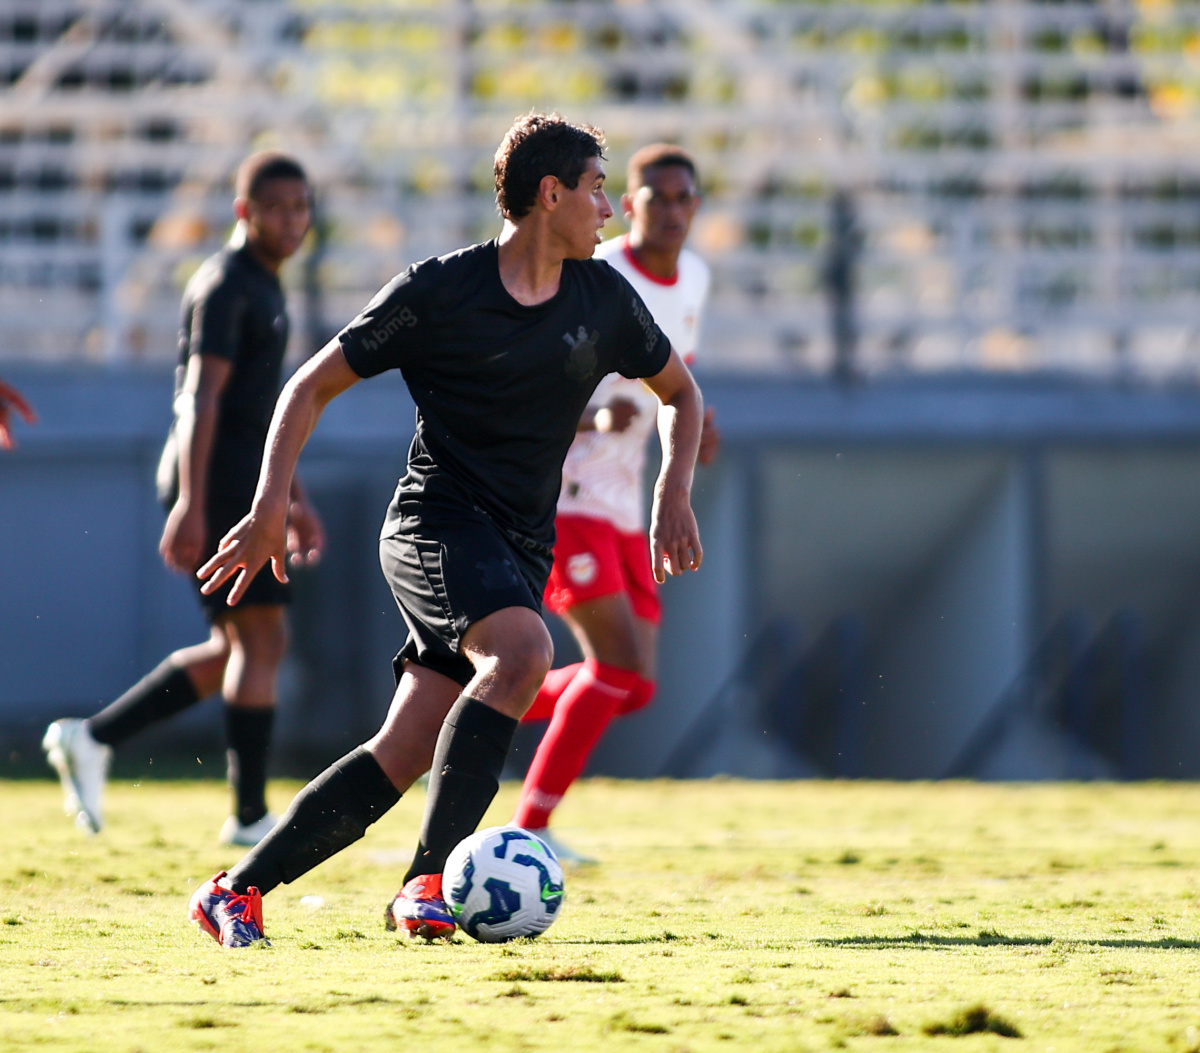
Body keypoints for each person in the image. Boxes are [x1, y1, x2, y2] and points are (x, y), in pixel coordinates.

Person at [186, 113, 704, 948]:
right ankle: (427, 882)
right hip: (433, 524)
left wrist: (672, 490)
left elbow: (680, 392)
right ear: (551, 194)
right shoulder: (439, 292)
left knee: (402, 750)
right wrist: (267, 507)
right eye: (597, 188)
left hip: (518, 548)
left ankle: (234, 891)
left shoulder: (603, 297)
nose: (607, 208)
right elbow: (307, 389)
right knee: (525, 654)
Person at [43, 152, 325, 846]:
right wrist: (194, 502)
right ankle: (250, 812)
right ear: (243, 211)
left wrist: (294, 493)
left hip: (243, 479)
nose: (292, 219)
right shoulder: (227, 283)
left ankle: (94, 737)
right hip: (218, 481)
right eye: (277, 206)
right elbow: (202, 398)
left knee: (237, 642)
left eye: (301, 206)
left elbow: (263, 411)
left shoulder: (265, 283)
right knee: (263, 638)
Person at [510, 144, 719, 863]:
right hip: (566, 497)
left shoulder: (693, 277)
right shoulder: (594, 277)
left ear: (696, 206)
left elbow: (675, 381)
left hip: (629, 503)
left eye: (682, 197)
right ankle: (529, 827)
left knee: (633, 685)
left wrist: (696, 419)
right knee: (617, 662)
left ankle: (471, 700)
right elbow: (525, 394)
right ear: (627, 205)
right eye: (652, 197)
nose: (669, 209)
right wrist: (593, 419)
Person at [0, 376, 36, 450]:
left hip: (2, 409)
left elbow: (14, 397)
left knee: (4, 427)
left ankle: (6, 441)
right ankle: (6, 441)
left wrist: (27, 414)